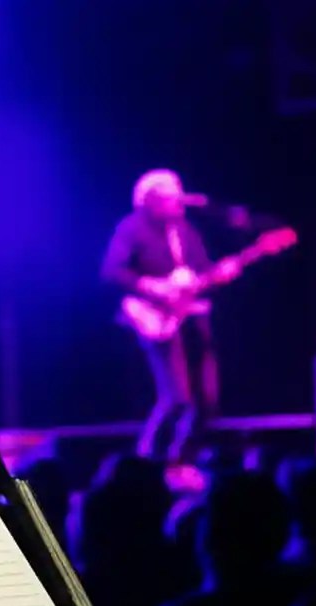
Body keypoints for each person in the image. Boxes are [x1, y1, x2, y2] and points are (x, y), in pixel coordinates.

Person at [101, 170, 245, 464]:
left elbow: (202, 272)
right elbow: (112, 271)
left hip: (191, 317)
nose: (180, 204)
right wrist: (152, 286)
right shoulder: (132, 229)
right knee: (177, 398)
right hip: (156, 320)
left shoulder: (185, 231)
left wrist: (221, 273)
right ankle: (145, 461)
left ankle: (181, 459)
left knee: (206, 399)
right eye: (172, 198)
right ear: (151, 201)